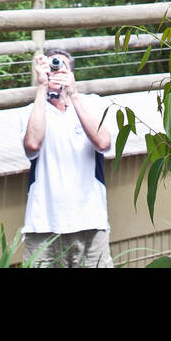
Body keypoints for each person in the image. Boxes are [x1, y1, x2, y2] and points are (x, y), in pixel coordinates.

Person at [19, 49, 114, 267]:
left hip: (90, 220)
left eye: (61, 67)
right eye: (50, 69)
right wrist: (42, 88)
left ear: (72, 73)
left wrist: (73, 94)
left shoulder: (93, 104)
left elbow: (103, 143)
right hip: (43, 223)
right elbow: (32, 145)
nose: (55, 72)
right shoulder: (32, 111)